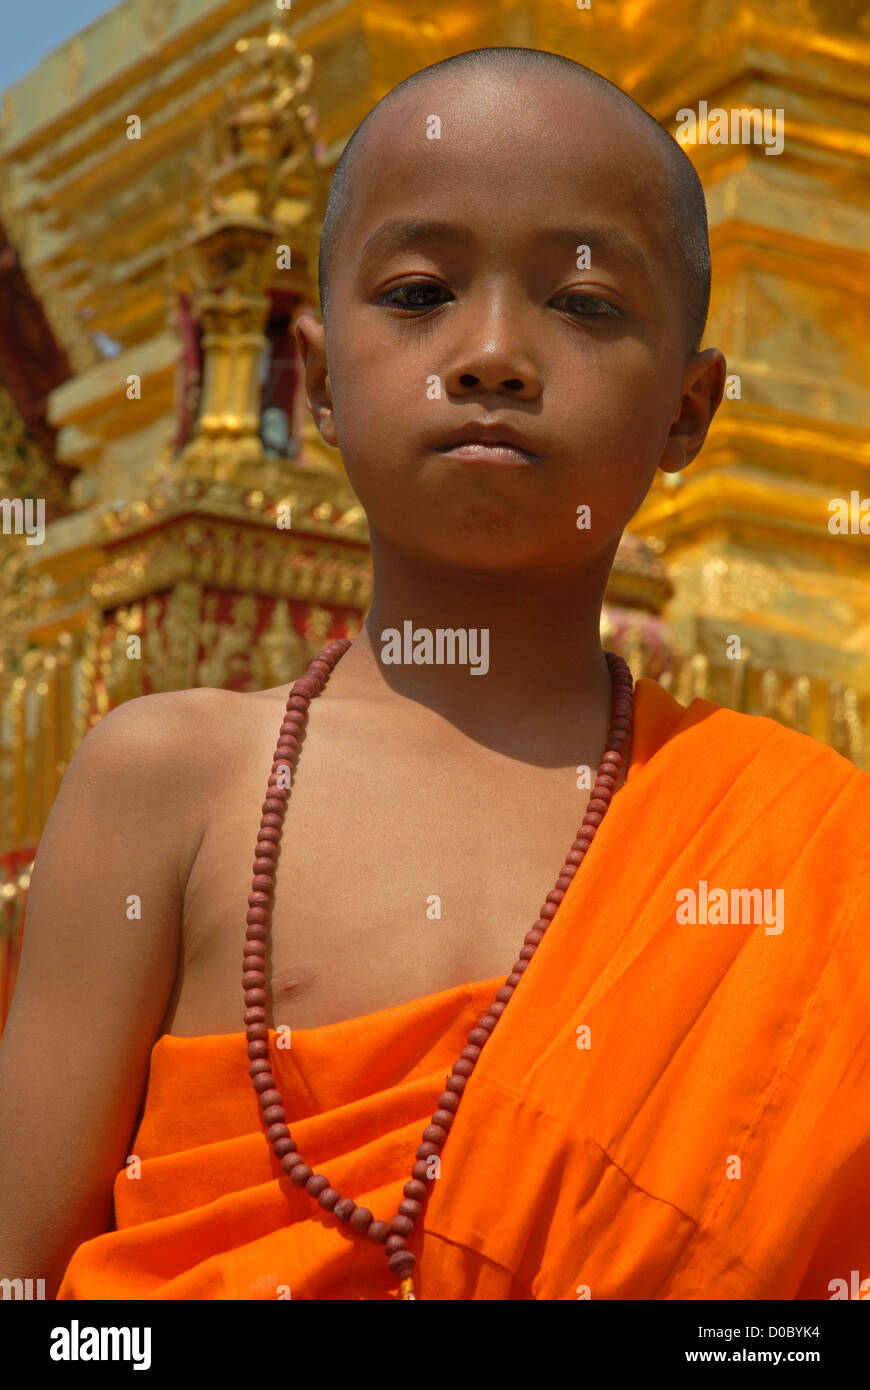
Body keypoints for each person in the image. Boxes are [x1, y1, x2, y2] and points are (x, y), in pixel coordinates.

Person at [1, 46, 867, 1302]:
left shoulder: (797, 846)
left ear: (691, 410)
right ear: (318, 382)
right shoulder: (173, 786)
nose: (494, 353)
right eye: (418, 294)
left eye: (584, 304)